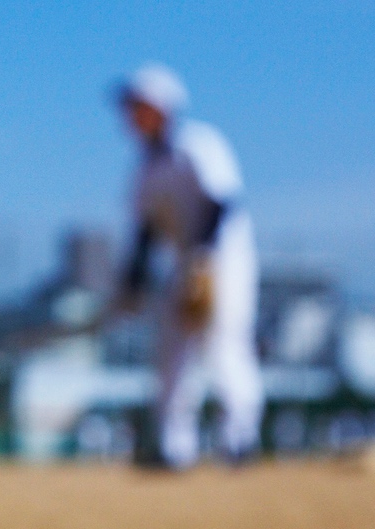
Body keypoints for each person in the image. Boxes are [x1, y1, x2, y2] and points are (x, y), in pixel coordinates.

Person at [108, 63, 262, 469]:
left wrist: (202, 262)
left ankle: (240, 440)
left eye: (137, 106)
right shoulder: (145, 168)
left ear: (161, 108)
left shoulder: (199, 144)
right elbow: (144, 232)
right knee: (173, 352)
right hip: (183, 262)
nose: (129, 114)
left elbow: (221, 203)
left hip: (225, 259)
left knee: (225, 342)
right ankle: (176, 447)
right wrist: (132, 282)